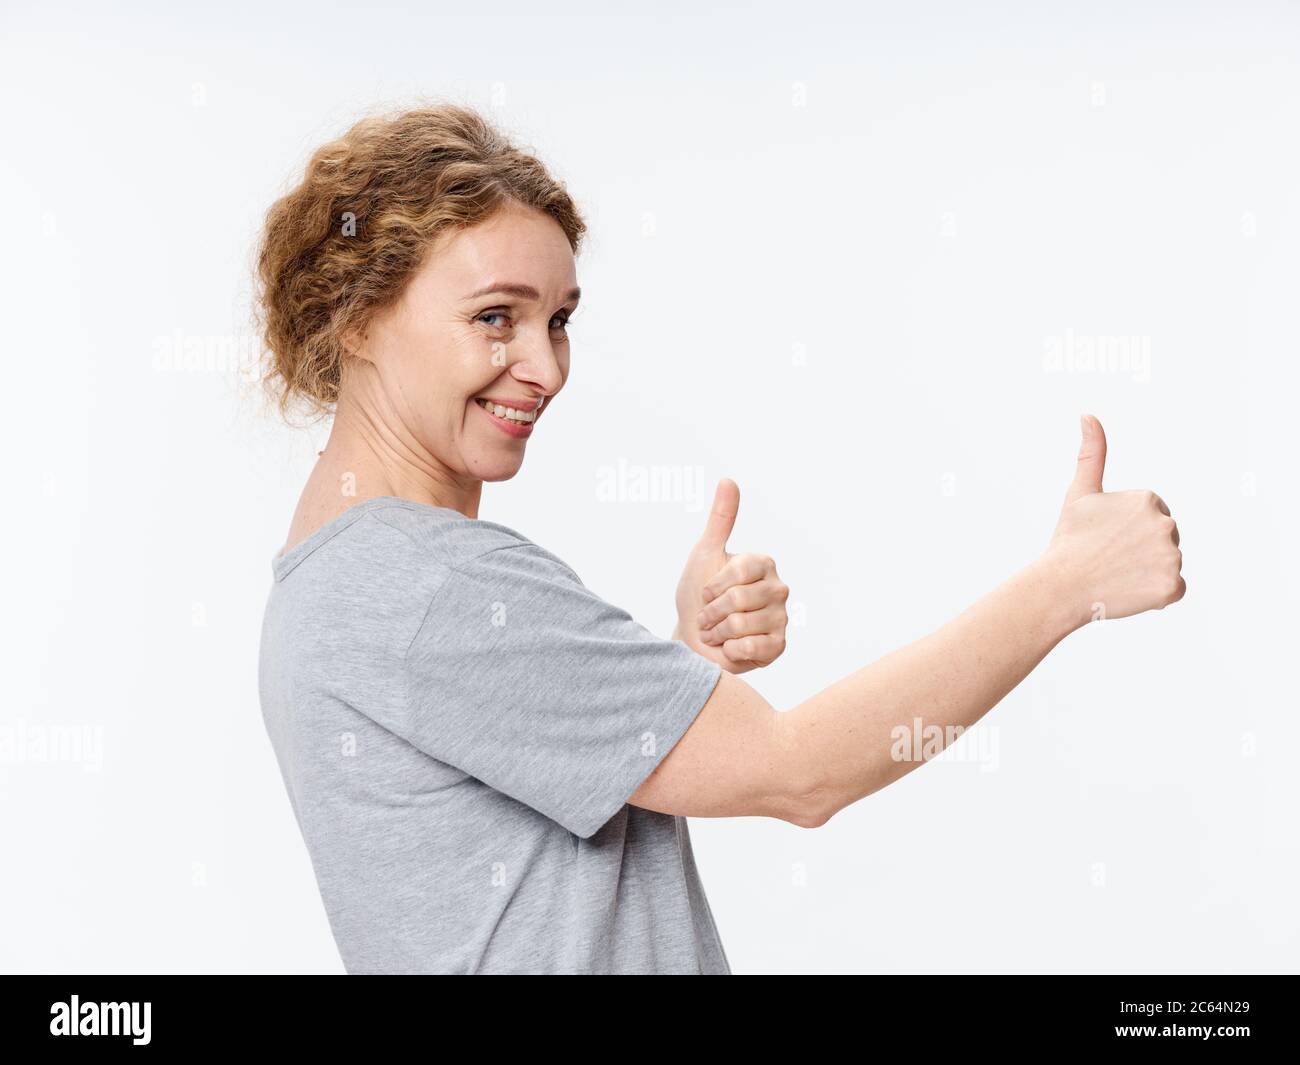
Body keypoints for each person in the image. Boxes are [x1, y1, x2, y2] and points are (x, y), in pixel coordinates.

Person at [255, 104, 1184, 975]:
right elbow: (801, 773)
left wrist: (680, 665)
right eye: (495, 316)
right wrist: (1070, 583)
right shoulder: (434, 586)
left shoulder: (328, 578)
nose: (544, 367)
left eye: (559, 320)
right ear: (354, 316)